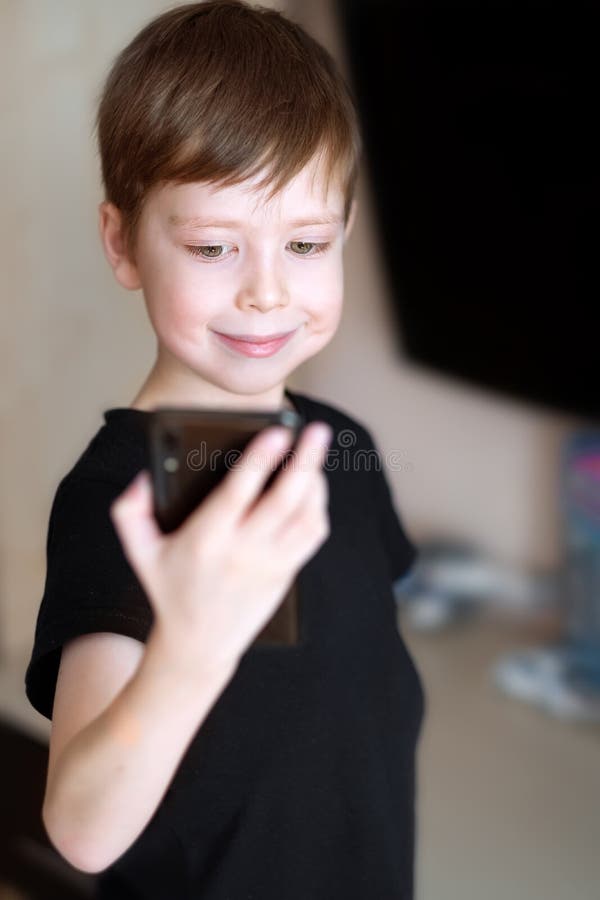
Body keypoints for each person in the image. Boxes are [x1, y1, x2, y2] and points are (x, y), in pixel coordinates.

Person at [24, 1, 425, 897]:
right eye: (213, 245)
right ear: (123, 243)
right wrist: (192, 648)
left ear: (346, 234)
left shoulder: (344, 449)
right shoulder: (120, 495)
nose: (266, 292)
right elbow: (80, 829)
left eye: (307, 243)